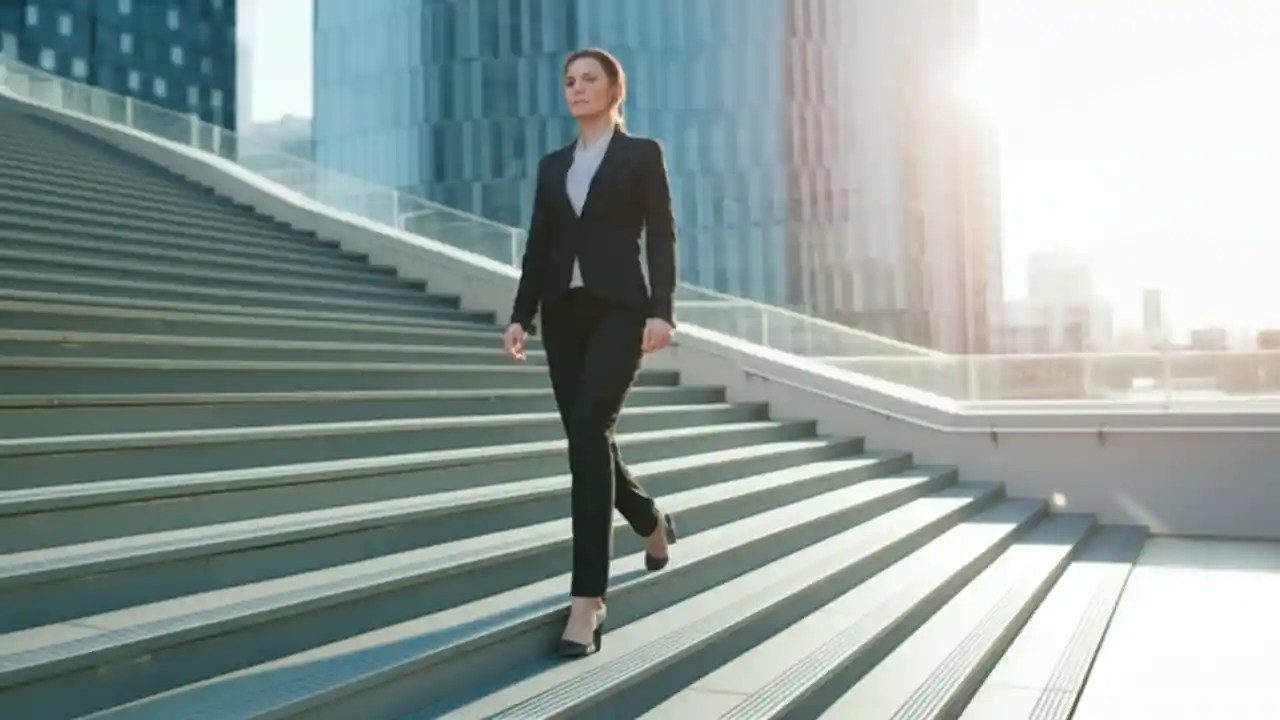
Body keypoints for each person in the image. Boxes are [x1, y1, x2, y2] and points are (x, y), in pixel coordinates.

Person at [502, 47, 679, 658]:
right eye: (569, 81)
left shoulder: (640, 155)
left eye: (589, 80)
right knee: (589, 437)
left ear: (613, 90)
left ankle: (588, 601)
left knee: (586, 429)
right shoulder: (553, 167)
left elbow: (661, 233)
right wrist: (521, 314)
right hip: (564, 316)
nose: (577, 89)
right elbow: (539, 244)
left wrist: (662, 309)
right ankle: (651, 521)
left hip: (620, 311)